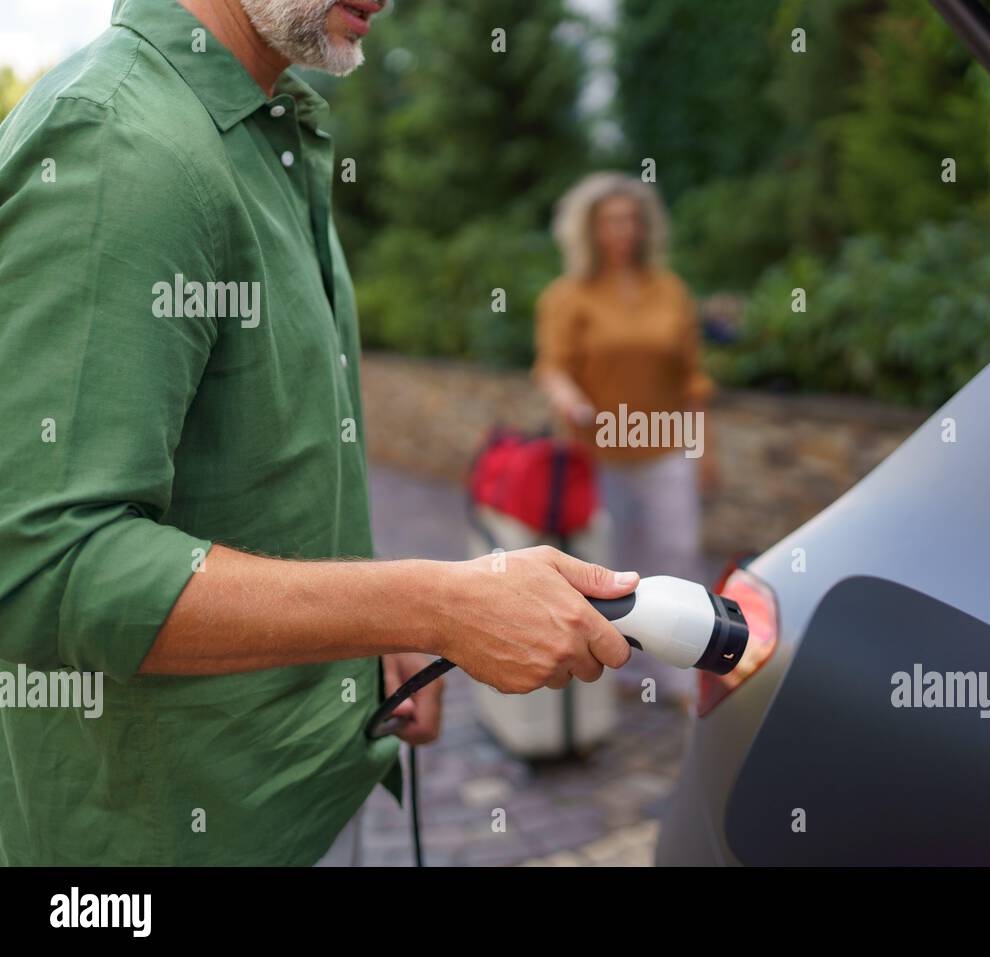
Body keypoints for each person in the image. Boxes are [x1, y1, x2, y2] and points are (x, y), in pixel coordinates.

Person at [0, 0, 638, 866]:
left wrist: (364, 621)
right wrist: (432, 602)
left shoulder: (269, 129)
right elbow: (45, 567)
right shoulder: (118, 139)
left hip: (303, 797)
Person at [534, 173, 716, 586]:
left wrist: (706, 450)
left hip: (668, 448)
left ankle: (679, 649)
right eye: (612, 220)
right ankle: (619, 652)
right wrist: (570, 398)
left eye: (632, 218)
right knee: (610, 567)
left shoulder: (671, 291)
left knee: (678, 556)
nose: (624, 229)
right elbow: (553, 367)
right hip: (598, 454)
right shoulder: (568, 296)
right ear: (590, 229)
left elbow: (693, 380)